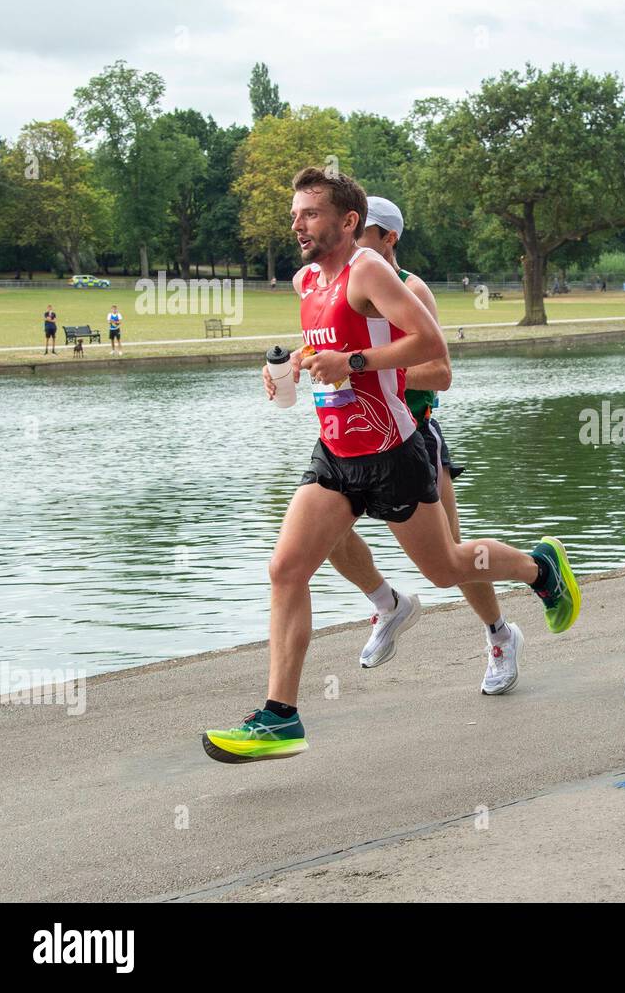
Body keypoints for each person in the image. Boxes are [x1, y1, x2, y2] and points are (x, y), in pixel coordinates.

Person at [201, 168, 580, 764]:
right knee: (286, 568)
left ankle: (537, 568)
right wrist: (298, 364)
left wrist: (351, 361)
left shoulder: (369, 269)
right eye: (295, 213)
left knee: (447, 566)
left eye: (310, 213)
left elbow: (430, 345)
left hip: (391, 451)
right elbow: (329, 347)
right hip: (334, 452)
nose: (297, 223)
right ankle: (280, 717)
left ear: (348, 223)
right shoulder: (306, 282)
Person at [325, 196, 525, 694]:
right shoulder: (341, 283)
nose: (352, 242)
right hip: (353, 440)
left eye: (364, 233)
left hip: (413, 434)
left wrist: (366, 368)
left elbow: (441, 372)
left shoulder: (411, 289)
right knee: (324, 537)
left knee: (451, 560)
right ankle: (387, 603)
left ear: (389, 238)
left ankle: (500, 635)